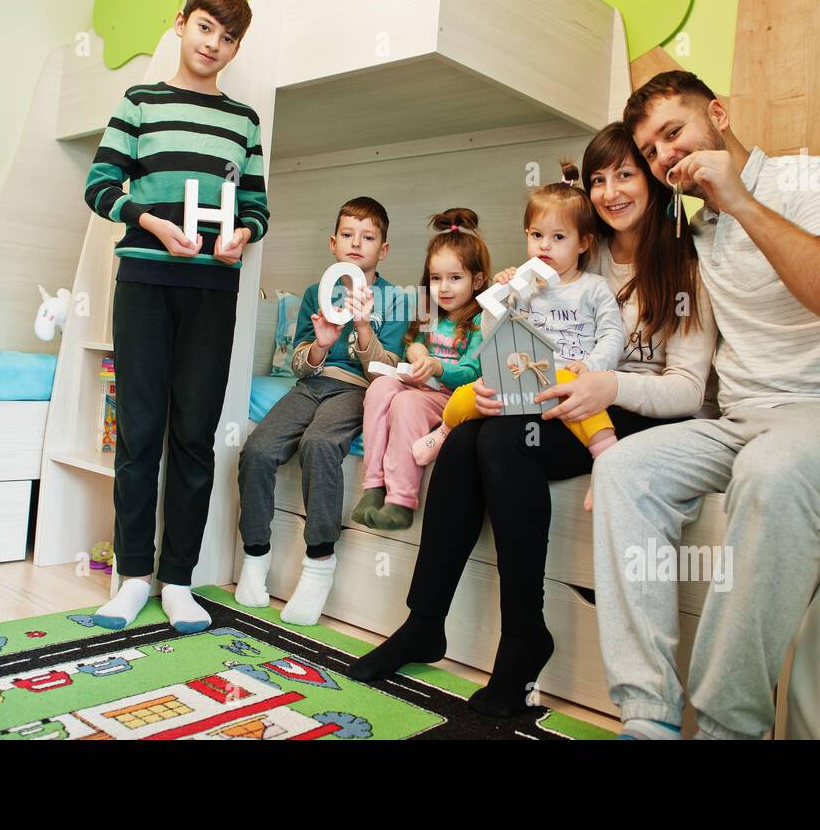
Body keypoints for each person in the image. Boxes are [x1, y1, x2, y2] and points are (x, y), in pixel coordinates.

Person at [592, 69, 820, 739]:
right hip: (741, 424)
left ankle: (725, 726)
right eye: (651, 151)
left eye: (673, 132)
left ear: (719, 113)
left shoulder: (808, 180)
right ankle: (647, 715)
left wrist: (740, 201)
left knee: (773, 468)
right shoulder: (694, 232)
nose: (665, 156)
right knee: (623, 467)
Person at [346, 133, 715, 717]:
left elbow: (689, 390)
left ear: (653, 180)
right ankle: (424, 622)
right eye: (598, 179)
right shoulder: (575, 252)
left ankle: (523, 637)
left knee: (500, 441)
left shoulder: (684, 265)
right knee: (468, 436)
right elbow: (519, 335)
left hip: (640, 411)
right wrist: (494, 376)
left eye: (625, 175)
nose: (609, 191)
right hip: (557, 392)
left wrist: (606, 386)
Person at [83, 0, 267, 633]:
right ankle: (133, 576)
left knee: (194, 435)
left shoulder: (244, 122)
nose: (213, 44)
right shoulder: (139, 103)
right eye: (205, 27)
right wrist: (151, 224)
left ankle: (178, 580)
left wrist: (242, 234)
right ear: (181, 23)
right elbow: (99, 185)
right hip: (144, 283)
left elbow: (256, 206)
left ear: (236, 47)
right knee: (139, 433)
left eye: (228, 37)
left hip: (212, 291)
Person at [235, 197, 410, 625]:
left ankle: (319, 562)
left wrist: (363, 326)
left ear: (383, 249)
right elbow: (299, 364)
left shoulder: (396, 299)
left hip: (357, 389)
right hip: (312, 384)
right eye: (348, 235)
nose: (356, 244)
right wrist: (321, 345)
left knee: (319, 443)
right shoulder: (317, 292)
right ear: (333, 243)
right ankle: (255, 555)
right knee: (257, 449)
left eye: (368, 237)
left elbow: (386, 372)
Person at [411, 164, 625, 465]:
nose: (544, 245)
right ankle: (444, 432)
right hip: (518, 377)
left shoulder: (594, 288)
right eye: (537, 235)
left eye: (559, 237)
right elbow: (491, 336)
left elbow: (613, 335)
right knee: (465, 395)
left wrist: (591, 367)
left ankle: (606, 455)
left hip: (568, 377)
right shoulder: (522, 287)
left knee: (591, 414)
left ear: (584, 242)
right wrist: (500, 297)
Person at [353, 207, 491, 532]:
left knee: (406, 402)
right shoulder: (430, 312)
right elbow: (413, 346)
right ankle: (373, 486)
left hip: (452, 398)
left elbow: (472, 371)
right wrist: (415, 350)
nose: (444, 288)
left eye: (455, 278)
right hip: (421, 386)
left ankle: (400, 500)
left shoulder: (480, 320)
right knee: (379, 387)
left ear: (477, 280)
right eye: (436, 278)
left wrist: (438, 367)